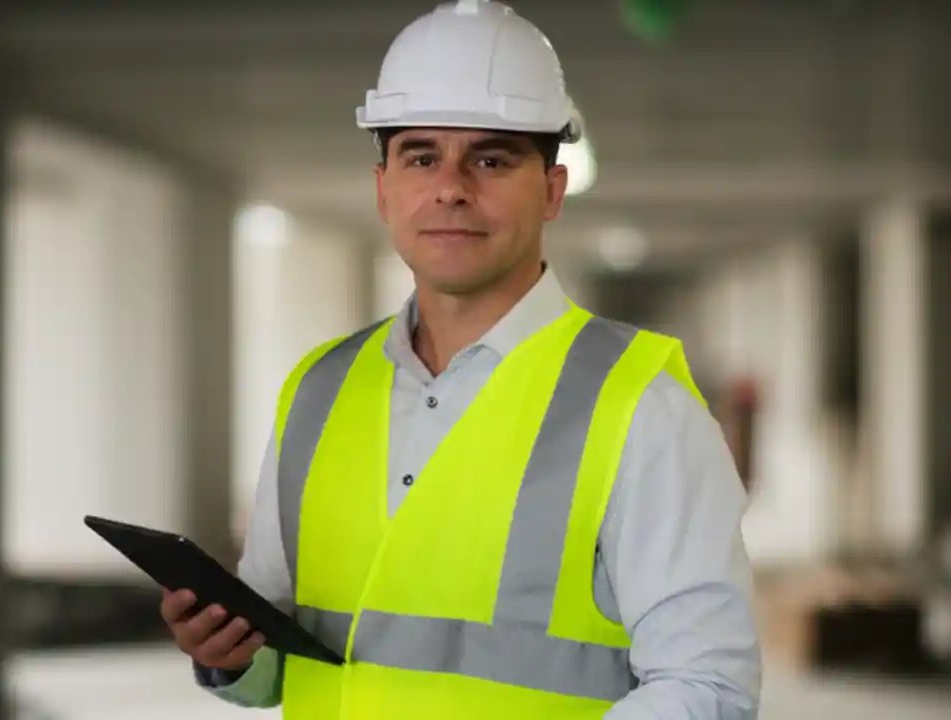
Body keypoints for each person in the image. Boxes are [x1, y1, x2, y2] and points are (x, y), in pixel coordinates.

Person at [160, 0, 761, 717]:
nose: (450, 186)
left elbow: (709, 689)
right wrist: (229, 658)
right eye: (420, 155)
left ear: (552, 190)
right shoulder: (319, 388)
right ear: (384, 187)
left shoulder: (639, 403)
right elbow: (291, 659)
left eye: (491, 157)